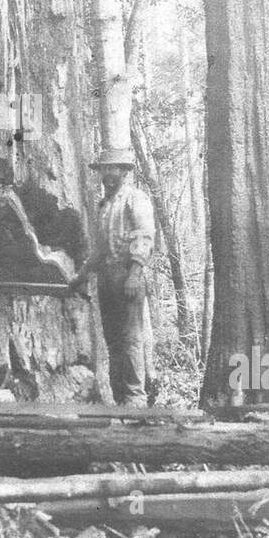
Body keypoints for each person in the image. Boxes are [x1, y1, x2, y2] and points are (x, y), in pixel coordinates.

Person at [68, 145, 157, 407]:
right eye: (104, 169)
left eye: (113, 168)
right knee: (113, 340)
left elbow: (145, 235)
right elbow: (99, 250)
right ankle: (120, 399)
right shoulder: (105, 206)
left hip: (127, 274)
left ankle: (135, 398)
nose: (108, 174)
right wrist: (81, 276)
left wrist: (135, 273)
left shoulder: (135, 199)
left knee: (130, 338)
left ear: (124, 171)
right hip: (107, 277)